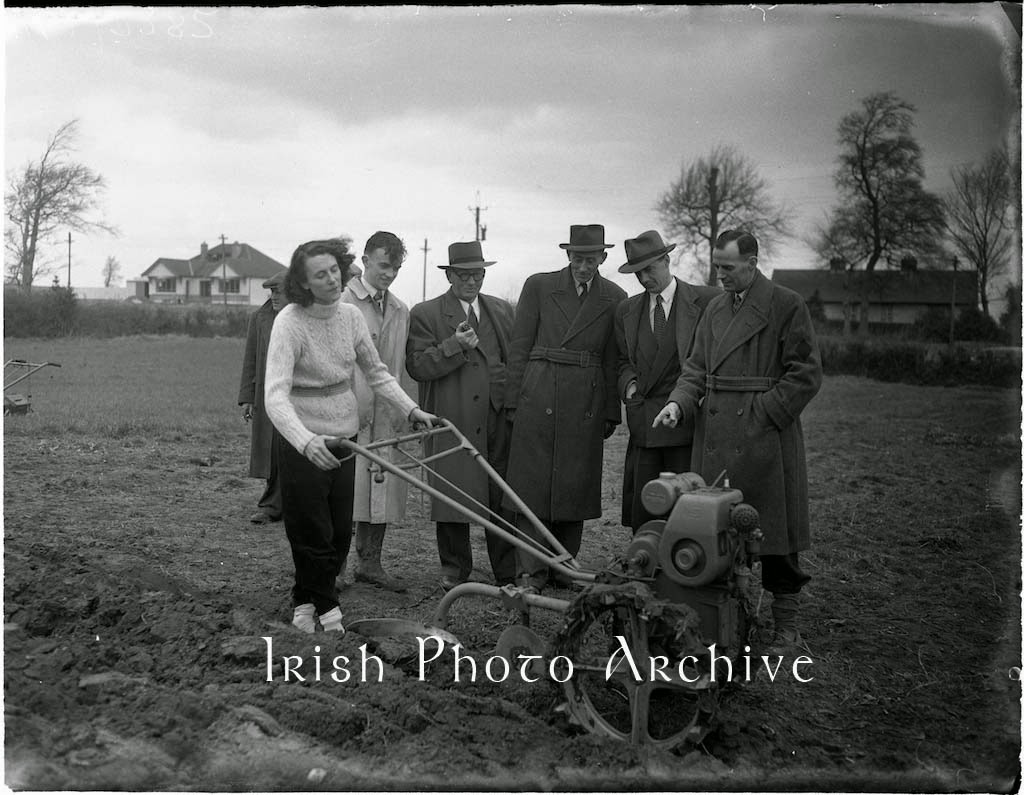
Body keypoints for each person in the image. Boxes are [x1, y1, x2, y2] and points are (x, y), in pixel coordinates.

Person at [653, 229, 822, 651]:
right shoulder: (714, 310)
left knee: (774, 535)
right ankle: (725, 618)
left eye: (728, 268)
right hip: (716, 434)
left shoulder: (786, 305)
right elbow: (694, 368)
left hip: (764, 439)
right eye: (717, 267)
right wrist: (679, 403)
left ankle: (787, 624)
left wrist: (764, 413)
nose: (720, 275)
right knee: (714, 530)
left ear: (752, 262)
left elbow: (805, 374)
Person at [264, 239, 436, 634]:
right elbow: (275, 395)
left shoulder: (350, 317)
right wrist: (306, 441)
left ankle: (303, 602)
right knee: (311, 531)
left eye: (334, 270)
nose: (330, 279)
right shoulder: (289, 321)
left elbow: (376, 373)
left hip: (344, 437)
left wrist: (411, 409)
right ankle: (330, 613)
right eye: (319, 274)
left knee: (339, 532)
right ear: (303, 283)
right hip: (303, 441)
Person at [504, 224, 627, 591]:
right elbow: (519, 346)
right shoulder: (538, 286)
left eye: (591, 259)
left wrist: (609, 410)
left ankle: (564, 567)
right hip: (538, 393)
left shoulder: (615, 296)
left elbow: (611, 358)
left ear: (603, 258)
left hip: (585, 400)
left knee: (575, 485)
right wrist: (514, 400)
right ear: (567, 255)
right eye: (577, 258)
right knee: (531, 486)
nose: (583, 266)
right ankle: (530, 572)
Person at [406, 241, 517, 590]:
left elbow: (510, 360)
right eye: (464, 275)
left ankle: (507, 570)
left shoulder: (500, 310)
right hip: (453, 418)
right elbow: (418, 366)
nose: (472, 281)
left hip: (497, 417)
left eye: (478, 274)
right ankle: (454, 568)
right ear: (450, 275)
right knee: (453, 492)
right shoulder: (427, 313)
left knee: (500, 493)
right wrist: (454, 346)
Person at [613, 230, 719, 533]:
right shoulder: (627, 310)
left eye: (650, 269)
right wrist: (629, 385)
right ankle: (644, 565)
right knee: (647, 505)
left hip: (687, 422)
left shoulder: (707, 301)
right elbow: (622, 363)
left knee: (686, 504)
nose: (645, 278)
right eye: (637, 273)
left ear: (667, 260)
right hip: (645, 423)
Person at [340, 231, 413, 592]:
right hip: (348, 412)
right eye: (384, 265)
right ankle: (335, 568)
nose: (389, 274)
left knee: (380, 488)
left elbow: (398, 364)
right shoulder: (342, 303)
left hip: (387, 414)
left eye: (396, 268)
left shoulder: (400, 310)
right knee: (344, 493)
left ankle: (370, 563)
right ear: (366, 260)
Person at [237, 271, 288, 524]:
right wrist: (247, 397)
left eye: (280, 291)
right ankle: (271, 505)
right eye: (272, 292)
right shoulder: (260, 318)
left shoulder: (308, 316)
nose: (274, 297)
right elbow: (251, 359)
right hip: (268, 396)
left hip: (300, 397)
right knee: (272, 452)